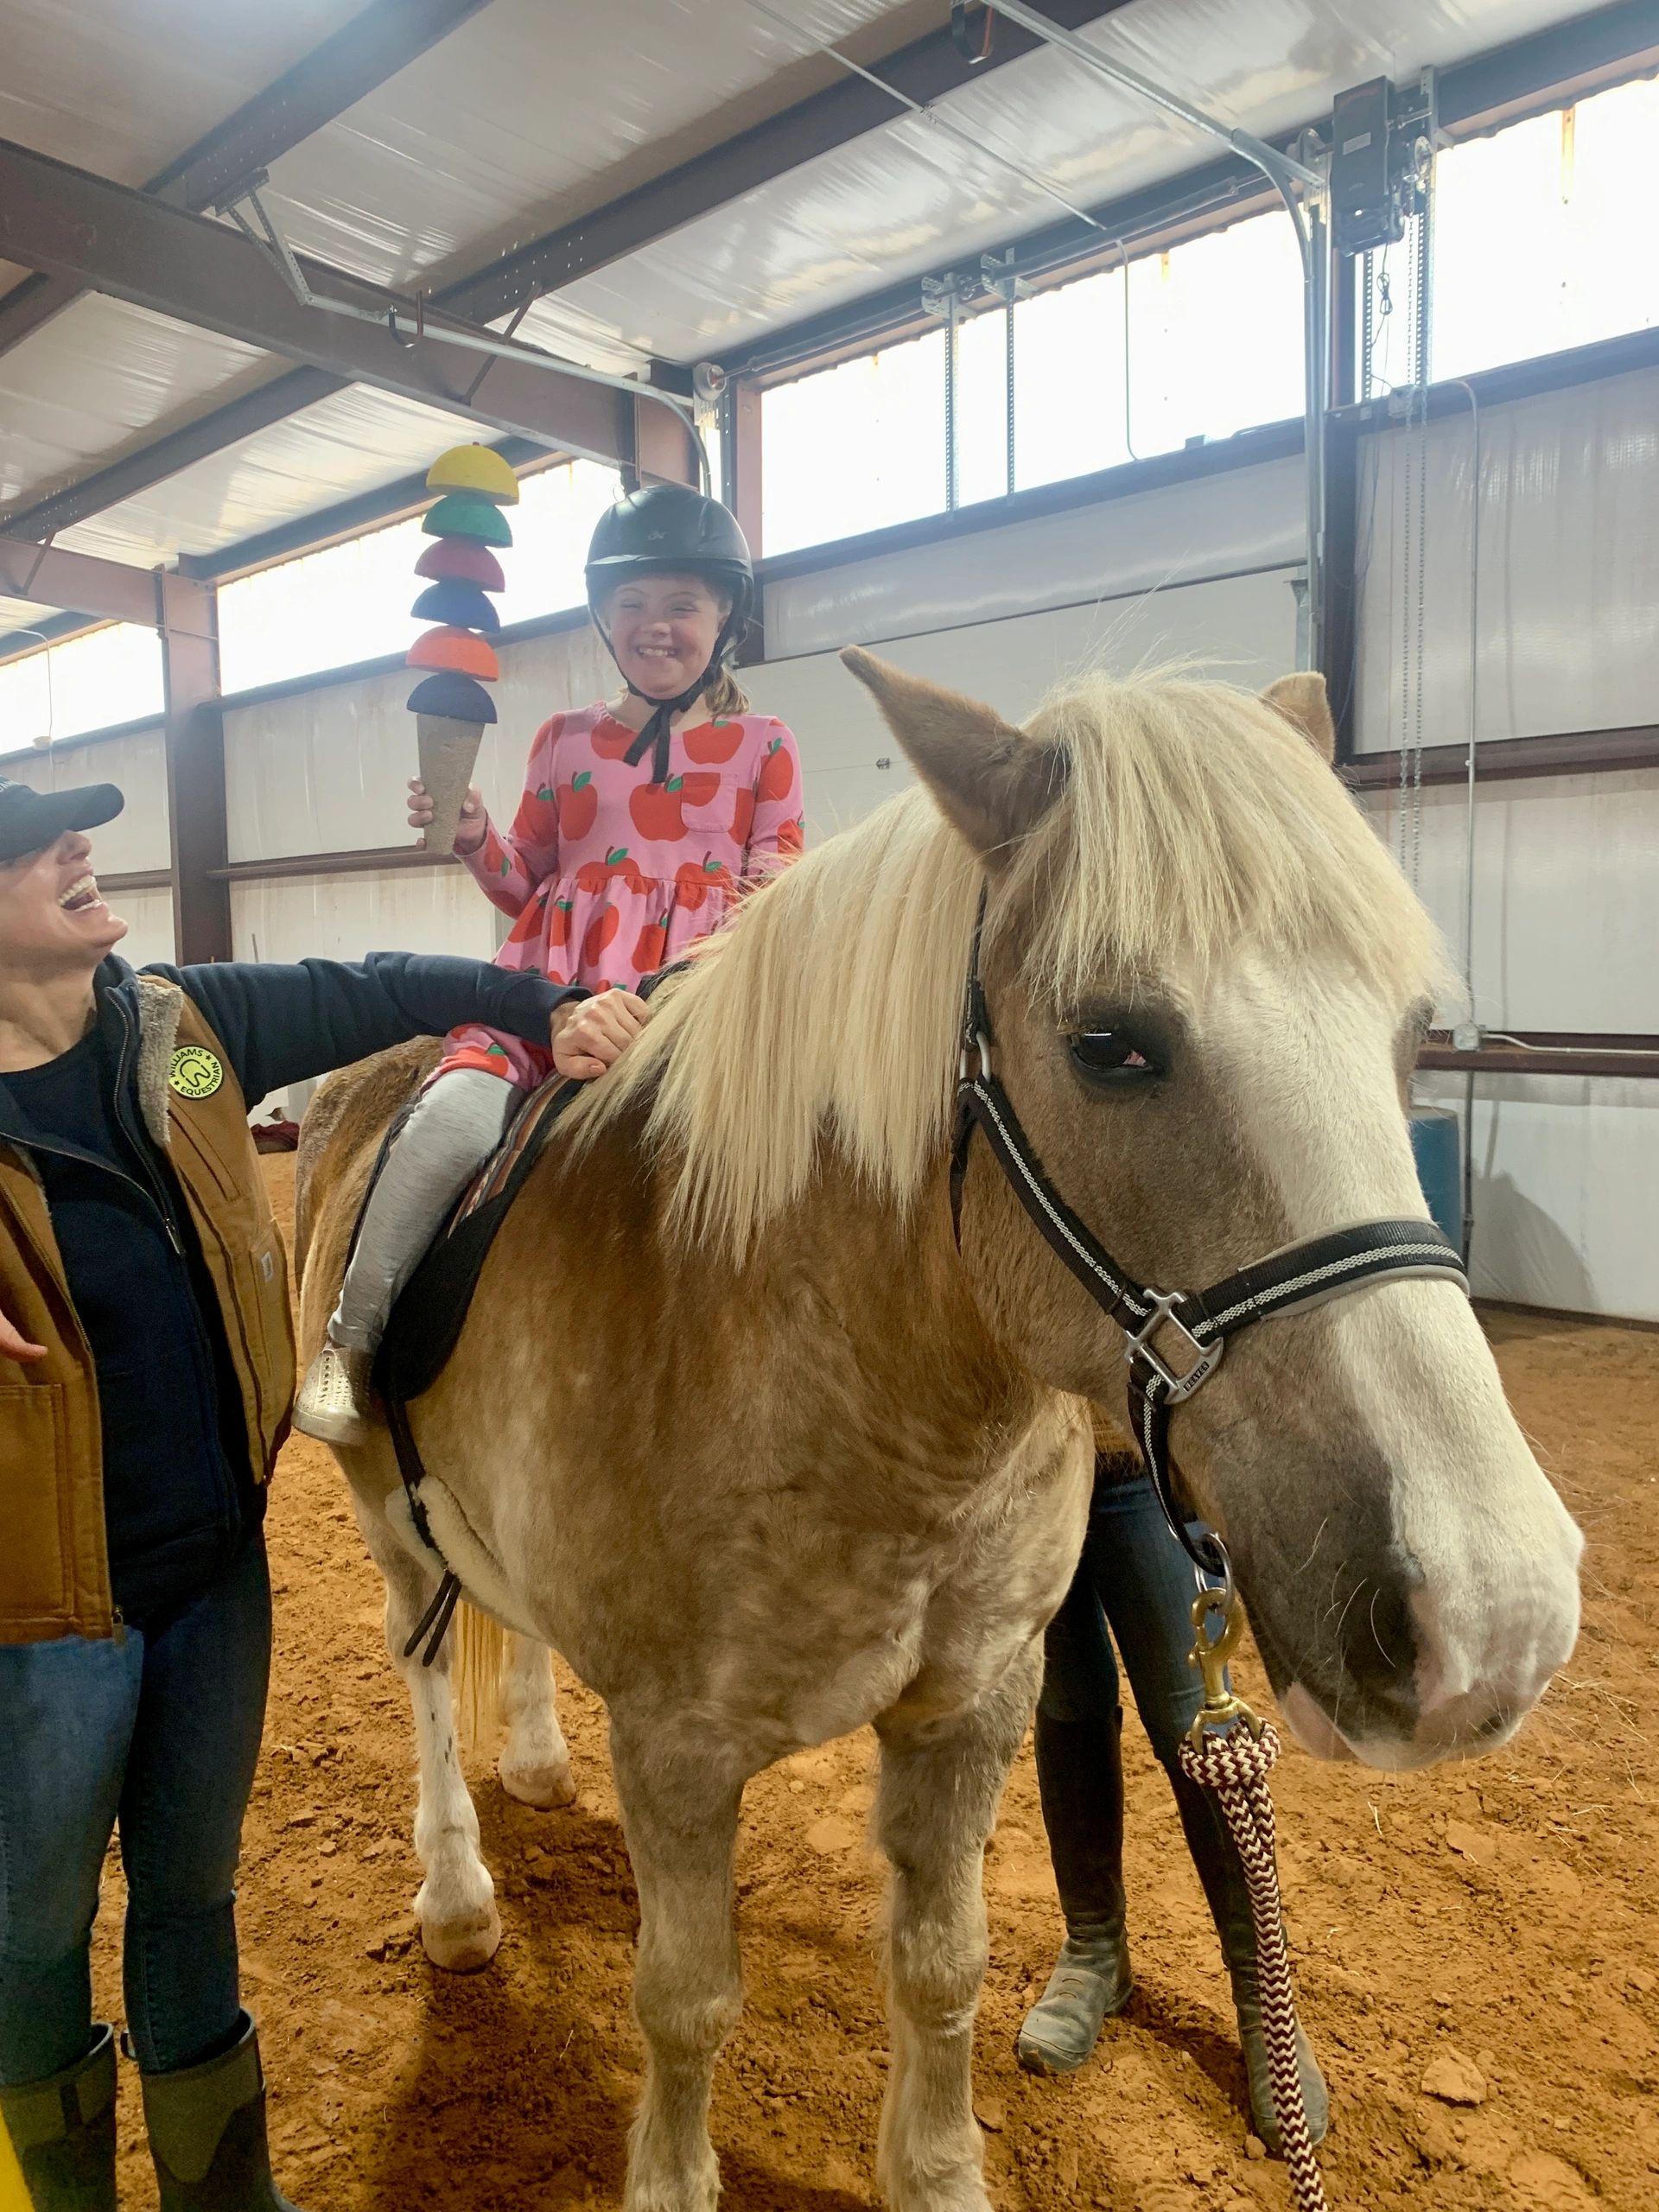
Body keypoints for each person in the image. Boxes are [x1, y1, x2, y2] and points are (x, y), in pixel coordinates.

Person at [0, 772, 633, 2211]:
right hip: (35, 1613)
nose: (79, 851)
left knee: (187, 1906)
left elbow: (380, 985)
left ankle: (229, 2196)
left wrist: (552, 1002)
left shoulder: (176, 1030)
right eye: (30, 847)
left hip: (210, 1573)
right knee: (30, 1936)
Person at [295, 481, 804, 1442]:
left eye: (681, 605)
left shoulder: (765, 746)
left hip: (693, 1013)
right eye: (635, 606)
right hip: (542, 997)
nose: (658, 627)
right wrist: (477, 835)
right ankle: (350, 1343)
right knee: (447, 1127)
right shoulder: (561, 740)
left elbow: (775, 891)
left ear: (724, 614)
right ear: (605, 619)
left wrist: (673, 1000)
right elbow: (522, 880)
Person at [1017, 1440, 1330, 2156]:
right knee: (1066, 1698)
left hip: (1138, 1471)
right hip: (1031, 1473)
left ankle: (1263, 1999)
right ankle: (1096, 1951)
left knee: (1194, 1715)